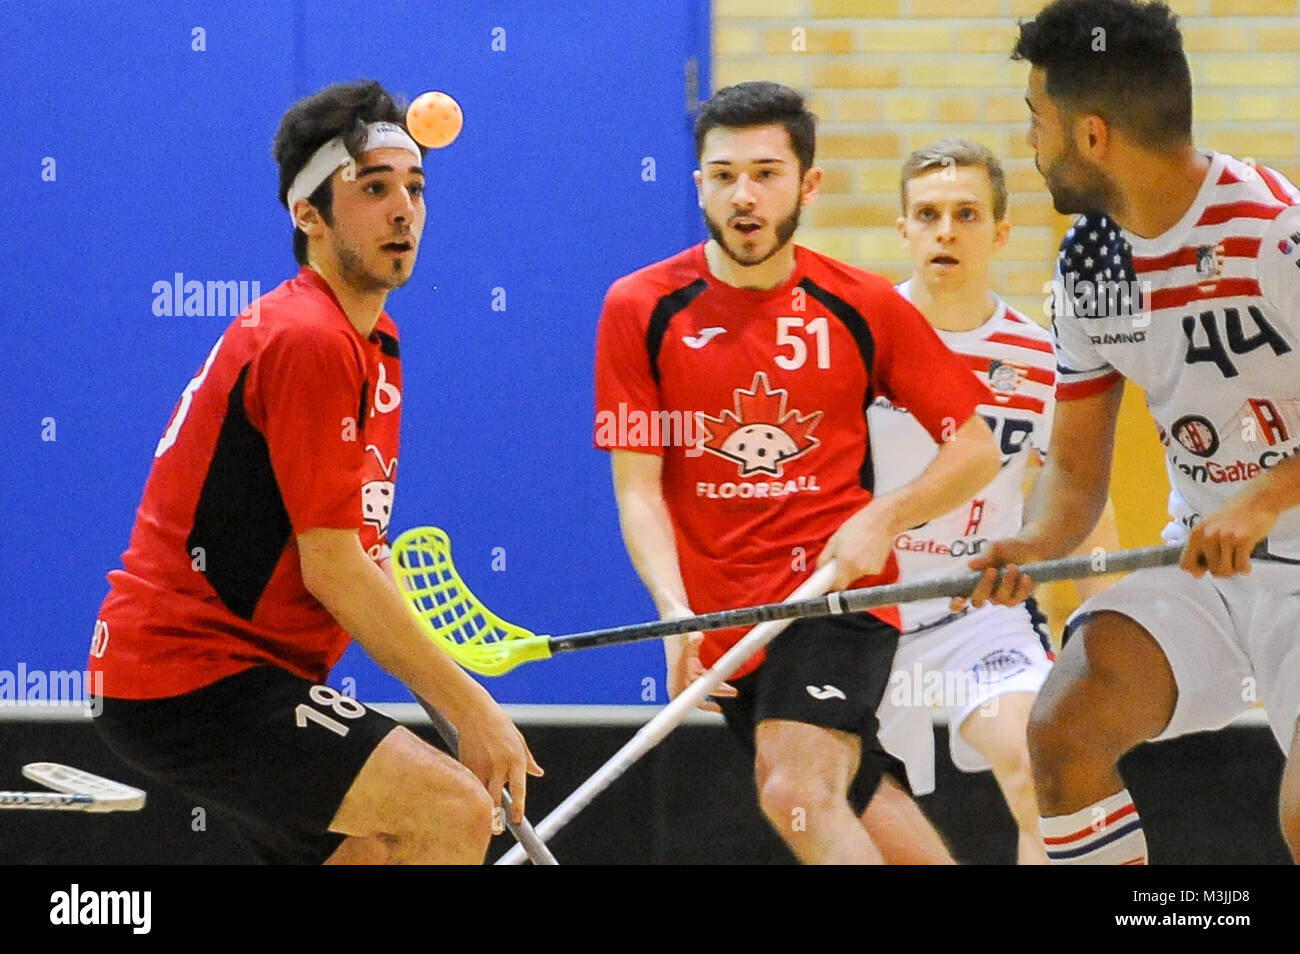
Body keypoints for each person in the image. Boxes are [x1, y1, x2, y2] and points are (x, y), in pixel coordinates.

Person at [89, 80, 540, 865]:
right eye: (372, 190)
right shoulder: (308, 339)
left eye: (414, 188)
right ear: (308, 214)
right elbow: (329, 565)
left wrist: (437, 672)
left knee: (371, 850)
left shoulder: (376, 343)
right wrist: (469, 706)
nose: (403, 209)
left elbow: (355, 549)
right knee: (451, 810)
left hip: (246, 674)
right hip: (194, 675)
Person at [593, 81, 1002, 864]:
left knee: (794, 790)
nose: (743, 195)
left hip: (834, 602)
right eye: (723, 174)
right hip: (725, 626)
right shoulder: (639, 308)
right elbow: (638, 488)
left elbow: (974, 447)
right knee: (859, 796)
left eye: (766, 172)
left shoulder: (863, 305)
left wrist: (883, 518)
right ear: (699, 183)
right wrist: (676, 612)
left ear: (808, 184)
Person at [966, 0, 1300, 863]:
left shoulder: (1274, 234)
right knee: (1064, 728)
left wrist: (1264, 501)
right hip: (1206, 563)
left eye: (1036, 119)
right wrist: (1032, 543)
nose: (1029, 142)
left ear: (1092, 134)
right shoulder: (1090, 265)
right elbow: (1077, 473)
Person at [870, 137, 1119, 864]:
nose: (946, 230)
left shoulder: (1042, 356)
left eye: (967, 214)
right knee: (852, 815)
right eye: (929, 214)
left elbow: (1080, 491)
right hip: (862, 615)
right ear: (904, 229)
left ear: (1000, 233)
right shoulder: (860, 337)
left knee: (1040, 768)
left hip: (975, 614)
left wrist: (1104, 619)